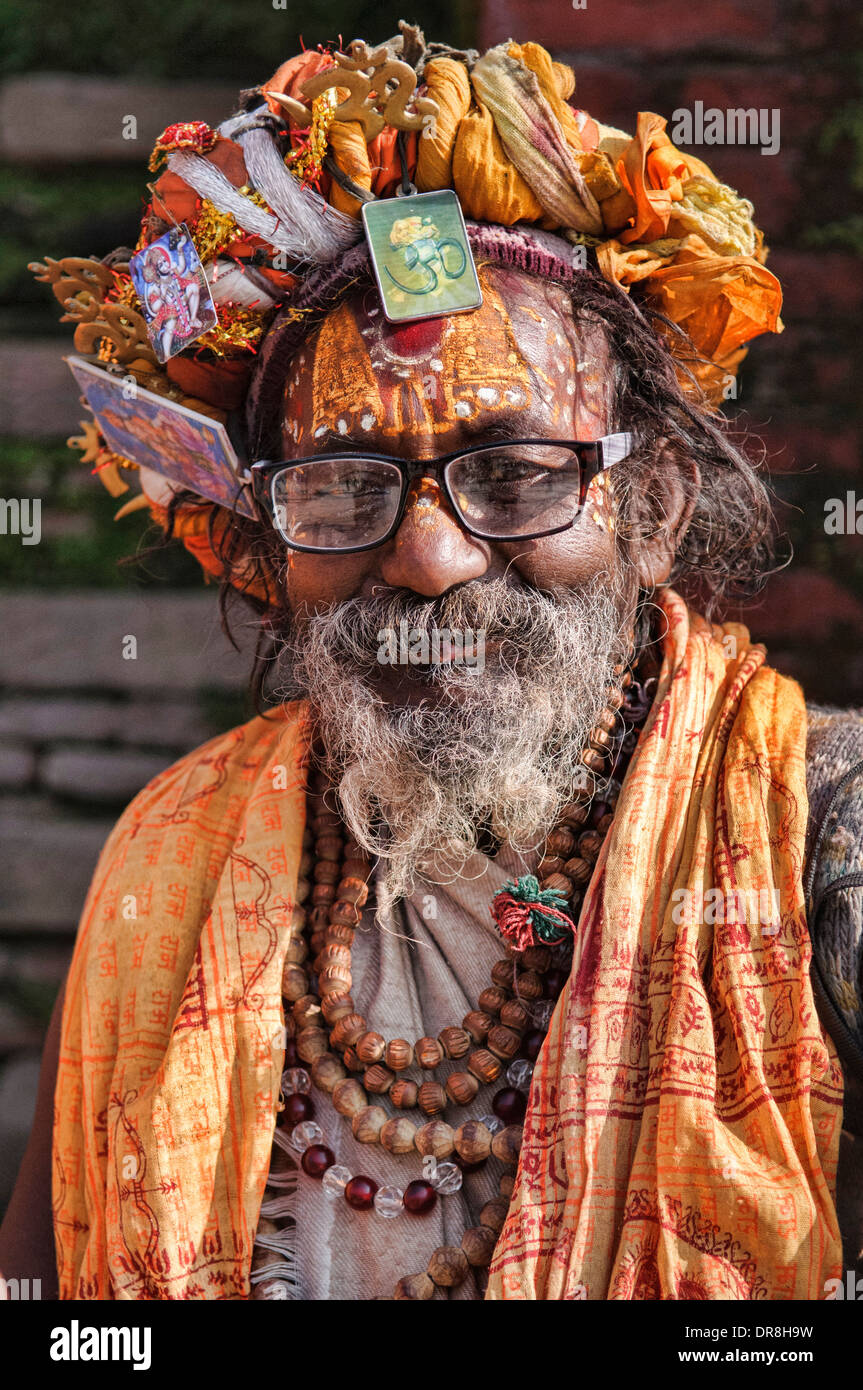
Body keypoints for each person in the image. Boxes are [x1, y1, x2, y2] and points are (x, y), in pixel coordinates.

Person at [3, 26, 863, 1302]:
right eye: (344, 488)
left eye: (514, 475)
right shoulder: (171, 849)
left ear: (655, 507)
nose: (429, 558)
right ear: (265, 542)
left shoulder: (823, 839)